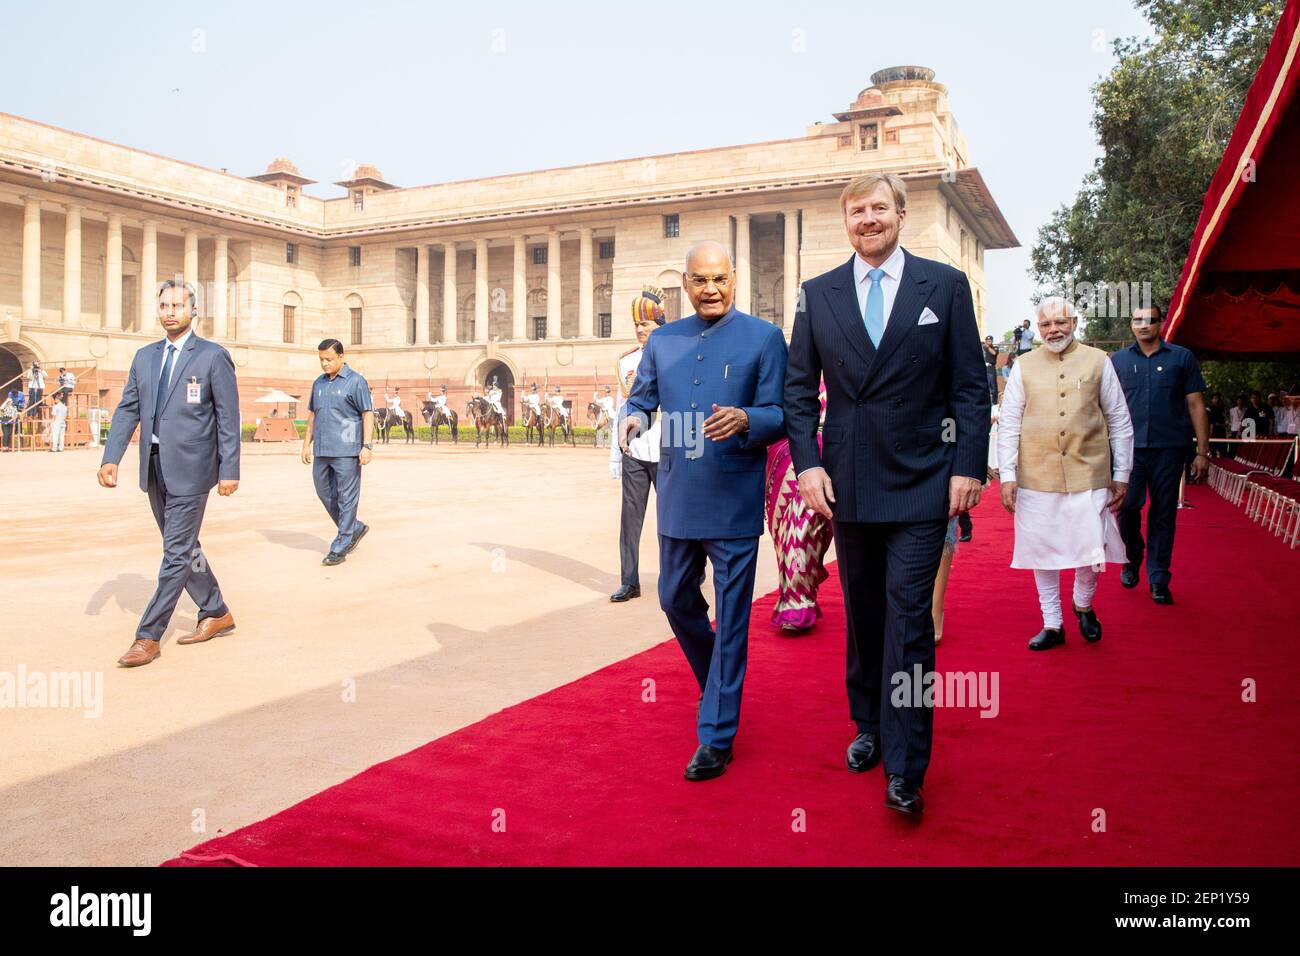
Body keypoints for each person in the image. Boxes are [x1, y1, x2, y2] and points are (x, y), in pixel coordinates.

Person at [785, 172, 989, 817]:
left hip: (925, 478)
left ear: (901, 214)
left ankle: (906, 765)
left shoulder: (945, 286)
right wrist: (807, 466)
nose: (868, 219)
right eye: (856, 211)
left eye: (879, 208)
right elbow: (797, 392)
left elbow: (968, 386)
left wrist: (969, 466)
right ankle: (868, 722)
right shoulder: (817, 295)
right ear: (844, 221)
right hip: (847, 484)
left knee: (908, 620)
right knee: (865, 613)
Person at [621, 240, 787, 782]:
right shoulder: (663, 340)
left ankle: (716, 736)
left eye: (718, 278)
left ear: (733, 278)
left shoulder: (764, 338)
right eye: (699, 280)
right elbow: (642, 399)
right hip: (678, 491)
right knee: (673, 598)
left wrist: (747, 419)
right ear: (685, 284)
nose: (709, 288)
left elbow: (782, 412)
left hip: (735, 494)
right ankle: (718, 683)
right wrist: (632, 418)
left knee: (733, 618)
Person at [97, 279, 241, 668]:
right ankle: (215, 610)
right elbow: (128, 408)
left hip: (193, 470)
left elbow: (228, 417)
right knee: (185, 547)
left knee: (175, 553)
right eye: (164, 305)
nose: (170, 311)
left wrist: (229, 469)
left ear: (194, 310)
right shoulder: (144, 357)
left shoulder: (212, 356)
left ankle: (148, 635)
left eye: (178, 305)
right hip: (154, 466)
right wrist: (112, 457)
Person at [997, 297, 1133, 651]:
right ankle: (1052, 623)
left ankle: (1083, 603)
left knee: (1091, 548)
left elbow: (1119, 420)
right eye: (1045, 325)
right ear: (1037, 328)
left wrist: (1123, 473)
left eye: (1060, 322)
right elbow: (1009, 422)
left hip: (1089, 471)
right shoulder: (1023, 365)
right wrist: (1008, 475)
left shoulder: (1098, 361)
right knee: (1042, 549)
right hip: (1036, 475)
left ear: (1073, 323)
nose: (1053, 330)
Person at [1112, 305, 1209, 604]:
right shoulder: (1118, 361)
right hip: (1129, 450)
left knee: (1163, 515)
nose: (1143, 326)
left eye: (1149, 320)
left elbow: (1195, 404)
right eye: (1137, 321)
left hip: (1170, 448)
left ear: (1161, 323)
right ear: (1131, 325)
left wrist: (1202, 452)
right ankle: (1132, 554)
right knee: (1126, 508)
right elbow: (1107, 407)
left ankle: (1158, 578)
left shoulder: (1181, 358)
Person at [609, 289, 665, 602]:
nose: (641, 329)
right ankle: (629, 580)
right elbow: (623, 406)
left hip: (669, 446)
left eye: (647, 324)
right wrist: (616, 453)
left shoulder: (676, 353)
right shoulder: (627, 362)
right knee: (630, 516)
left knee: (673, 514)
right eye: (638, 325)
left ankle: (689, 571)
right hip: (635, 449)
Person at [765, 383, 832, 634]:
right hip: (785, 448)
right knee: (787, 533)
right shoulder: (787, 363)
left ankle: (801, 597)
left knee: (809, 530)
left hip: (829, 446)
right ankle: (795, 598)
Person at [302, 339, 374, 566]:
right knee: (324, 492)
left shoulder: (356, 382)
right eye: (321, 360)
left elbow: (367, 414)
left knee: (347, 498)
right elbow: (312, 414)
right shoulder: (319, 384)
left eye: (329, 359)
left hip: (347, 450)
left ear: (341, 357)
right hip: (322, 449)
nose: (324, 364)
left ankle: (340, 545)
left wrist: (367, 445)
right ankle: (354, 528)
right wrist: (306, 444)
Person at [982, 334, 1000, 405]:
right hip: (983, 368)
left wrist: (988, 347)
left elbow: (994, 353)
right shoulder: (983, 348)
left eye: (990, 340)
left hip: (991, 368)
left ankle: (994, 402)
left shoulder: (994, 347)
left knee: (993, 387)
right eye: (987, 340)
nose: (988, 341)